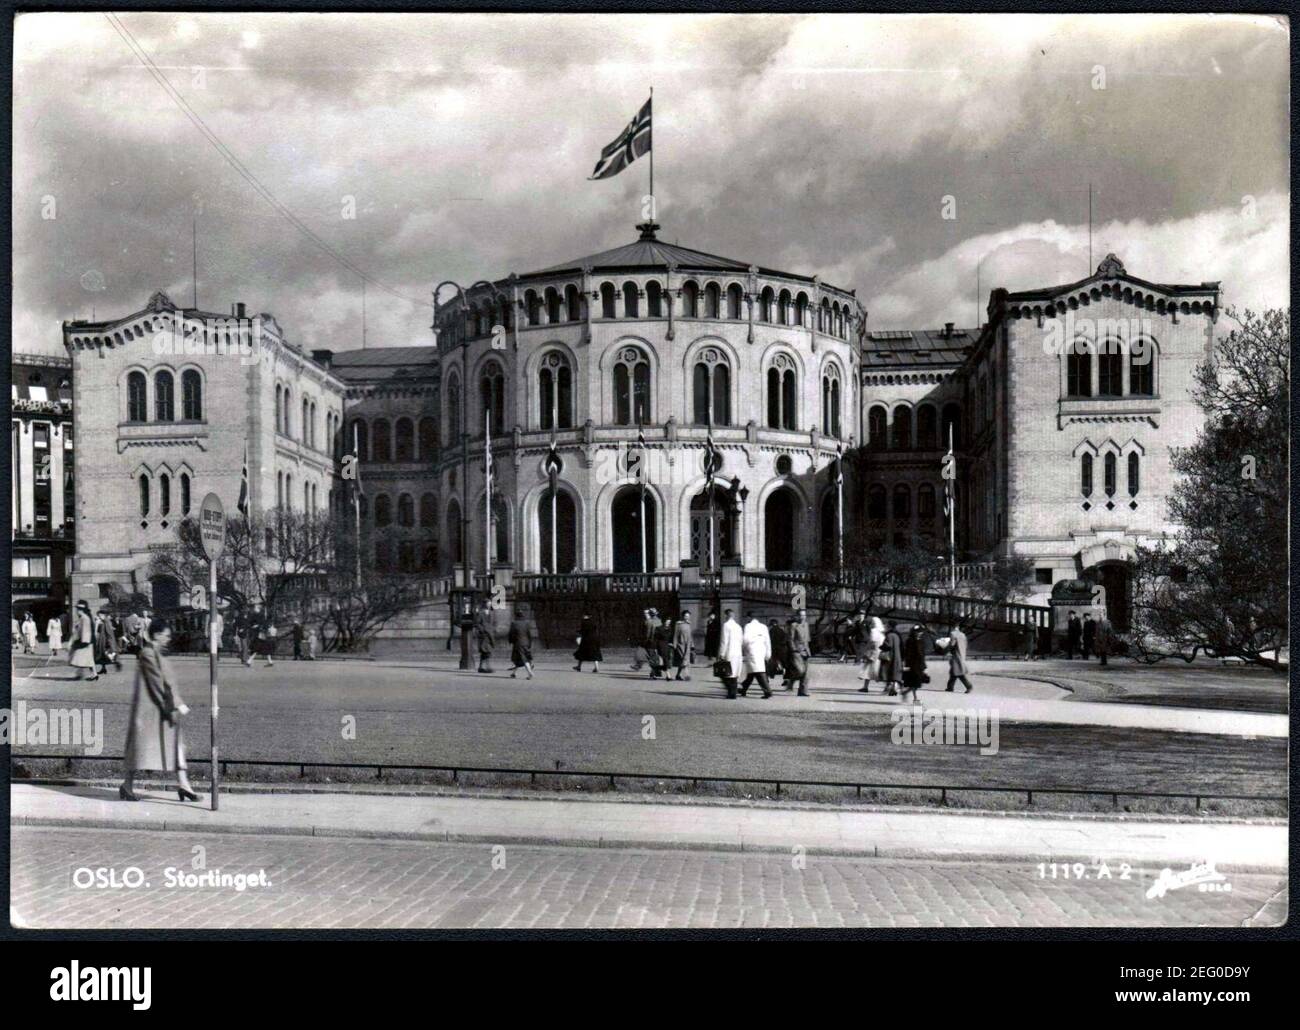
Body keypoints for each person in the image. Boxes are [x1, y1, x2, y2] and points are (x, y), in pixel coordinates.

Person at [120, 618, 200, 803]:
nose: (168, 639)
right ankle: (127, 785)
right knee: (140, 750)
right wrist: (174, 705)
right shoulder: (148, 653)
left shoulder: (157, 653)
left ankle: (184, 785)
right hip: (152, 711)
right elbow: (157, 683)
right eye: (166, 635)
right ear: (156, 635)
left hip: (161, 708)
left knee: (176, 746)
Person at [739, 613, 773, 698]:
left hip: (752, 651)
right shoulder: (763, 626)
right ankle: (744, 688)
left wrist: (743, 648)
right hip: (762, 651)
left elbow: (746, 639)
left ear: (749, 617)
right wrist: (768, 653)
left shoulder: (748, 626)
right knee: (752, 672)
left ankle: (767, 691)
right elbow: (767, 641)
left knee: (759, 672)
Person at [68, 601, 98, 681]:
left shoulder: (84, 618)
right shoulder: (83, 618)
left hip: (85, 642)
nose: (77, 611)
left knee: (81, 658)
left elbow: (85, 631)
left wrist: (83, 641)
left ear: (82, 610)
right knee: (86, 659)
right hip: (86, 641)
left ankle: (83, 674)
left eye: (78, 609)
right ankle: (88, 674)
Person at [718, 608, 744, 699]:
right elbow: (741, 640)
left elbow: (724, 641)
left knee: (726, 674)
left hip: (729, 652)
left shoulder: (726, 625)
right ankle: (733, 692)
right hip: (738, 653)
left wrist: (721, 653)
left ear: (726, 615)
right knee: (734, 674)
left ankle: (731, 692)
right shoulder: (738, 626)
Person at [785, 611, 811, 697]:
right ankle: (791, 681)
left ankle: (802, 691)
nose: (802, 617)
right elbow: (790, 639)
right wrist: (793, 649)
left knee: (806, 672)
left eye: (804, 615)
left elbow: (807, 639)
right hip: (796, 651)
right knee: (800, 671)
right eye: (800, 615)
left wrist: (808, 650)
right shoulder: (793, 625)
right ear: (797, 616)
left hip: (806, 651)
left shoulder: (806, 625)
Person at [943, 623, 974, 693]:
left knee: (958, 672)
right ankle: (950, 687)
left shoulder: (953, 634)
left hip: (956, 655)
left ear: (953, 627)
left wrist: (945, 646)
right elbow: (966, 645)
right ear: (958, 627)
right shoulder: (963, 635)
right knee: (954, 671)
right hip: (962, 655)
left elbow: (952, 644)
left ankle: (969, 686)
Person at [900, 624, 927, 704]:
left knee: (917, 682)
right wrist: (907, 665)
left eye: (920, 632)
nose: (919, 633)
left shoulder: (921, 641)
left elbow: (923, 654)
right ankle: (915, 698)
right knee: (915, 682)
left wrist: (924, 666)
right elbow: (907, 654)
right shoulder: (910, 641)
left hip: (919, 665)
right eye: (917, 632)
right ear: (913, 632)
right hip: (912, 665)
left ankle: (905, 693)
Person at [857, 616, 885, 693]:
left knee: (868, 670)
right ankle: (888, 687)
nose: (870, 624)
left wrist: (866, 651)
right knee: (879, 670)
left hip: (873, 653)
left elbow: (872, 643)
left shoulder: (873, 631)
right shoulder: (881, 632)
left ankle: (865, 687)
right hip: (880, 653)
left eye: (872, 622)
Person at [508, 608, 535, 679]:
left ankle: (530, 673)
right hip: (526, 643)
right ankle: (513, 673)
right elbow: (529, 634)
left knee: (523, 659)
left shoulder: (514, 623)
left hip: (518, 643)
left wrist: (511, 641)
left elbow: (511, 634)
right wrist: (529, 643)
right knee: (518, 659)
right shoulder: (526, 623)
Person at [93, 609, 119, 676]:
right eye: (98, 615)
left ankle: (115, 663)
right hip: (102, 640)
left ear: (103, 615)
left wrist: (109, 642)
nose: (99, 617)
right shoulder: (104, 621)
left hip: (105, 641)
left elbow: (109, 633)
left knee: (105, 654)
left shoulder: (107, 622)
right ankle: (103, 668)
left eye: (100, 615)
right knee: (102, 656)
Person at [881, 620, 903, 696]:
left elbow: (888, 645)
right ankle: (894, 687)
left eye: (887, 625)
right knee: (895, 673)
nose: (885, 626)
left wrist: (881, 646)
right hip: (897, 656)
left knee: (889, 672)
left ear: (889, 626)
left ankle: (891, 688)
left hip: (890, 656)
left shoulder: (889, 635)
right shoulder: (897, 635)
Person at [474, 603, 496, 673]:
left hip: (490, 634)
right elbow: (477, 623)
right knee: (486, 651)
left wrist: (493, 629)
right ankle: (488, 667)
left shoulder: (492, 613)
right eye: (488, 603)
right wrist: (482, 630)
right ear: (485, 604)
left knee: (485, 652)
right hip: (484, 635)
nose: (489, 605)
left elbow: (494, 622)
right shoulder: (480, 613)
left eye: (490, 603)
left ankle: (481, 667)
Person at [672, 611, 693, 680]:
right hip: (680, 644)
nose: (687, 617)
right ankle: (687, 675)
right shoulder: (678, 624)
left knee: (684, 660)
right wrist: (674, 645)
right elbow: (675, 635)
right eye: (685, 616)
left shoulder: (689, 624)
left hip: (688, 644)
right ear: (683, 616)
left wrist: (692, 644)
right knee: (684, 659)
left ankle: (678, 675)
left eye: (688, 616)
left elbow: (690, 635)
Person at [767, 619, 788, 684]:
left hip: (774, 650)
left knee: (771, 664)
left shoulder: (771, 631)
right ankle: (785, 679)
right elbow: (785, 639)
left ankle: (768, 679)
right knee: (784, 665)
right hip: (782, 650)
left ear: (772, 624)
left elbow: (769, 641)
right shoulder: (781, 630)